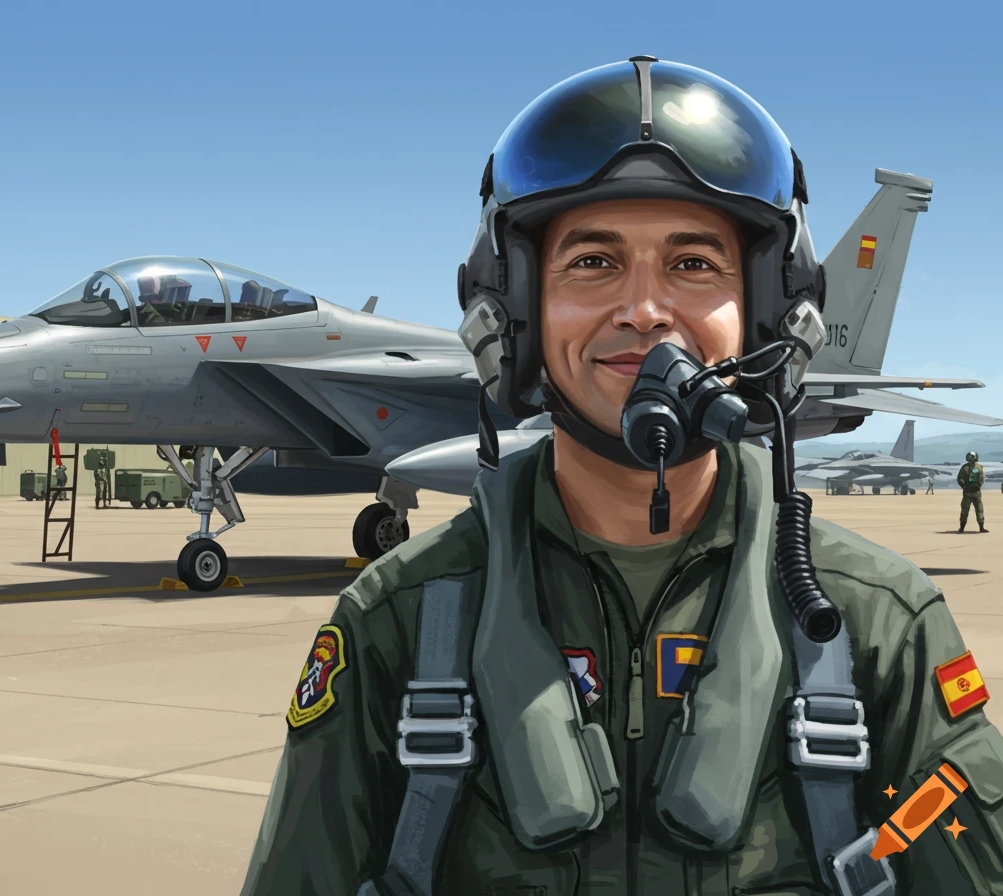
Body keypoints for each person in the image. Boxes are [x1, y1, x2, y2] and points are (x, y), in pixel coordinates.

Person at [240, 58, 1003, 895]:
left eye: (694, 264)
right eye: (593, 262)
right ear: (510, 309)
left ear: (772, 310)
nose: (643, 311)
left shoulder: (876, 625)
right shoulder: (401, 622)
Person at [958, 450, 987, 533]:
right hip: (975, 492)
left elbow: (959, 479)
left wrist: (964, 487)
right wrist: (978, 486)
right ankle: (981, 527)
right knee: (978, 509)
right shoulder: (979, 467)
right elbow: (981, 479)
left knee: (966, 510)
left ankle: (962, 528)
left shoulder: (965, 467)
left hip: (969, 492)